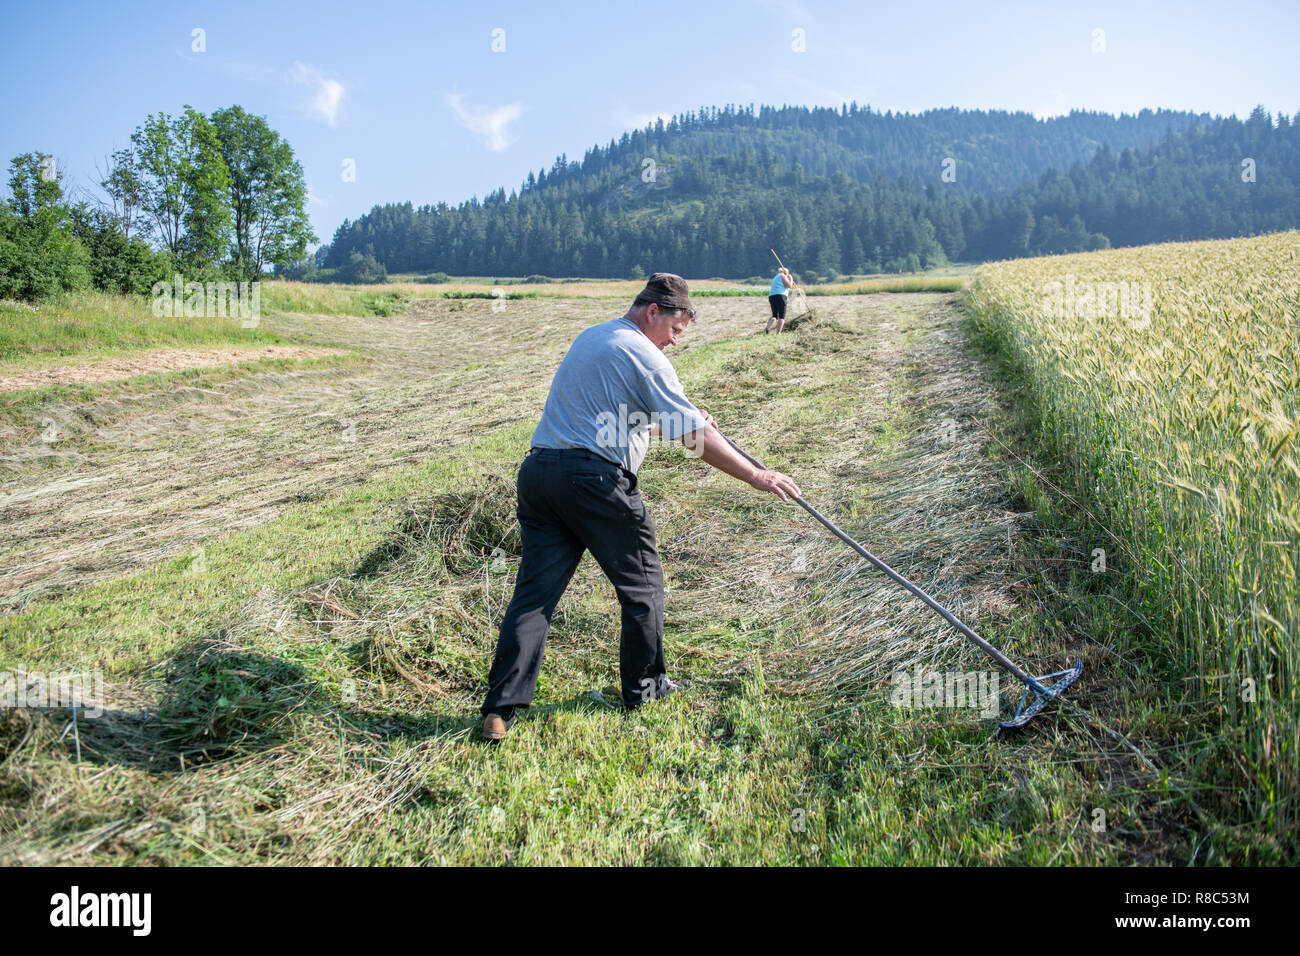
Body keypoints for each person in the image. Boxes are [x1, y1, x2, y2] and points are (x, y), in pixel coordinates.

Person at [480, 273, 802, 740]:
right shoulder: (645, 354)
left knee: (534, 595)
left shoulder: (594, 337)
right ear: (653, 312)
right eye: (675, 330)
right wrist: (757, 475)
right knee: (643, 585)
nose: (673, 342)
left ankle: (499, 709)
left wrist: (665, 427)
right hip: (594, 483)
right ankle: (646, 688)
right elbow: (693, 435)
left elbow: (608, 425)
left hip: (540, 475)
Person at [766, 267, 796, 334]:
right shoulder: (782, 275)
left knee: (774, 316)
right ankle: (778, 333)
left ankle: (768, 327)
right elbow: (789, 286)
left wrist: (796, 289)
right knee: (782, 316)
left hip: (772, 296)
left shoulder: (776, 277)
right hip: (780, 297)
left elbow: (786, 289)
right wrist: (791, 279)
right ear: (786, 272)